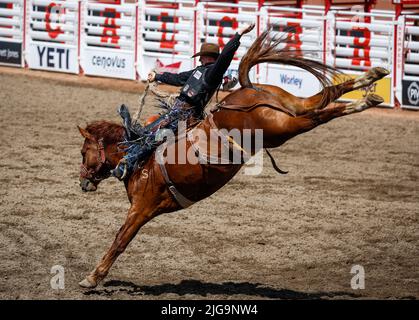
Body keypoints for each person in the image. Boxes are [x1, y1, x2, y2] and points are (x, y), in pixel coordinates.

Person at [112, 23, 255, 180]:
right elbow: (178, 78)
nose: (199, 59)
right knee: (150, 131)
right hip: (178, 111)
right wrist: (158, 76)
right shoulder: (199, 71)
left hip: (186, 113)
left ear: (207, 57)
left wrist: (238, 34)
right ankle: (132, 141)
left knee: (154, 136)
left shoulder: (214, 73)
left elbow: (226, 56)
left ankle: (127, 164)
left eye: (201, 56)